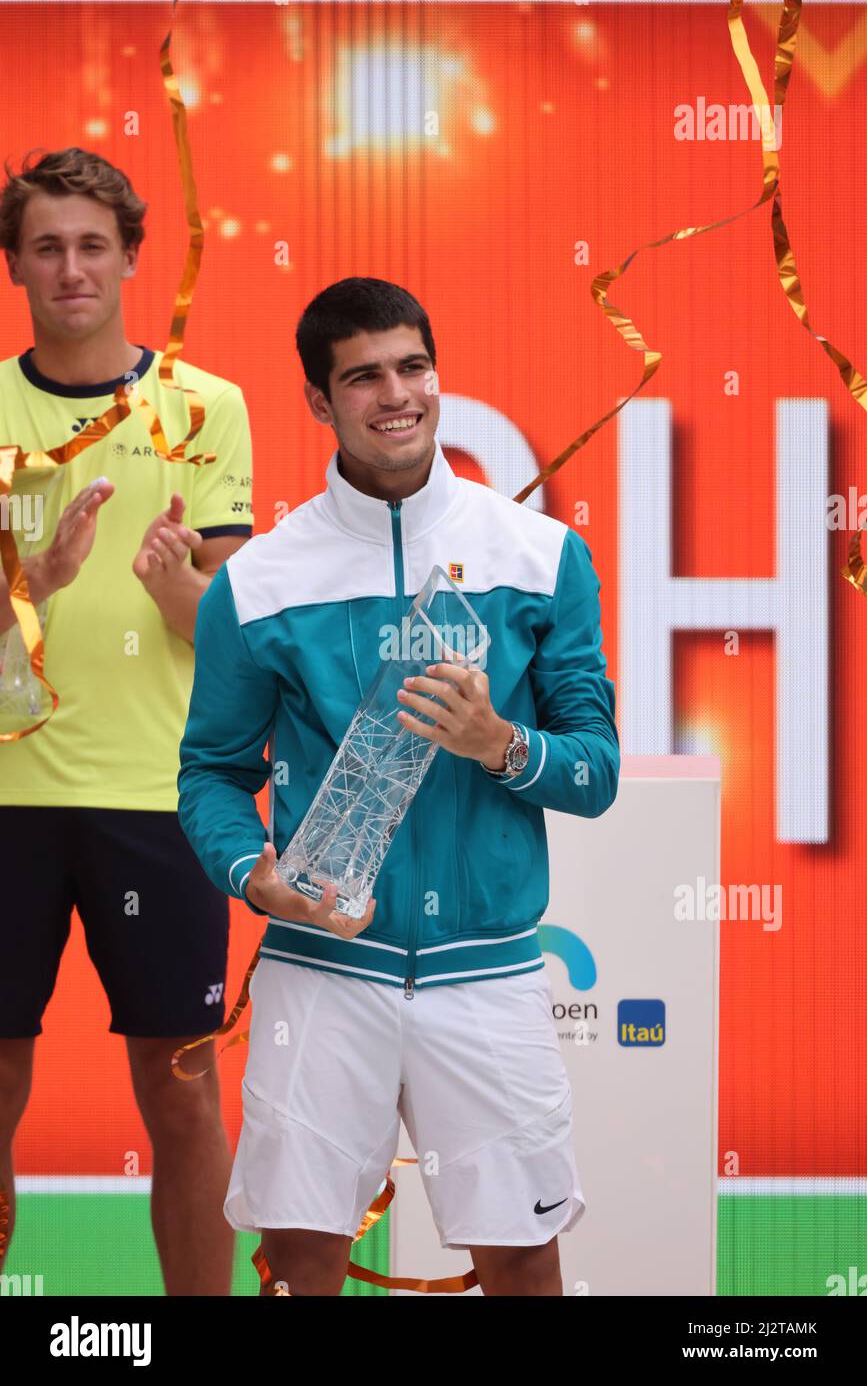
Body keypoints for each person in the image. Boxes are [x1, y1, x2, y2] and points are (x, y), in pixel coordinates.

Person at [178, 276, 619, 1296]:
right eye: (363, 376)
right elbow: (209, 774)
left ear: (437, 375)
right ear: (319, 403)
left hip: (490, 973)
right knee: (299, 1258)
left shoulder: (543, 556)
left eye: (413, 366)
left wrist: (500, 741)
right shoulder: (259, 580)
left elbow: (594, 771)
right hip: (320, 968)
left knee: (519, 1257)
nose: (396, 394)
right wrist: (255, 877)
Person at [0, 147, 253, 1295]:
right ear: (15, 267)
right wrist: (32, 585)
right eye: (46, 246)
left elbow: (232, 640)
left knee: (184, 1092)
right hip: (8, 801)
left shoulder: (207, 409)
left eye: (92, 243)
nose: (71, 267)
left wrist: (177, 596)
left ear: (132, 257)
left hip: (161, 800)